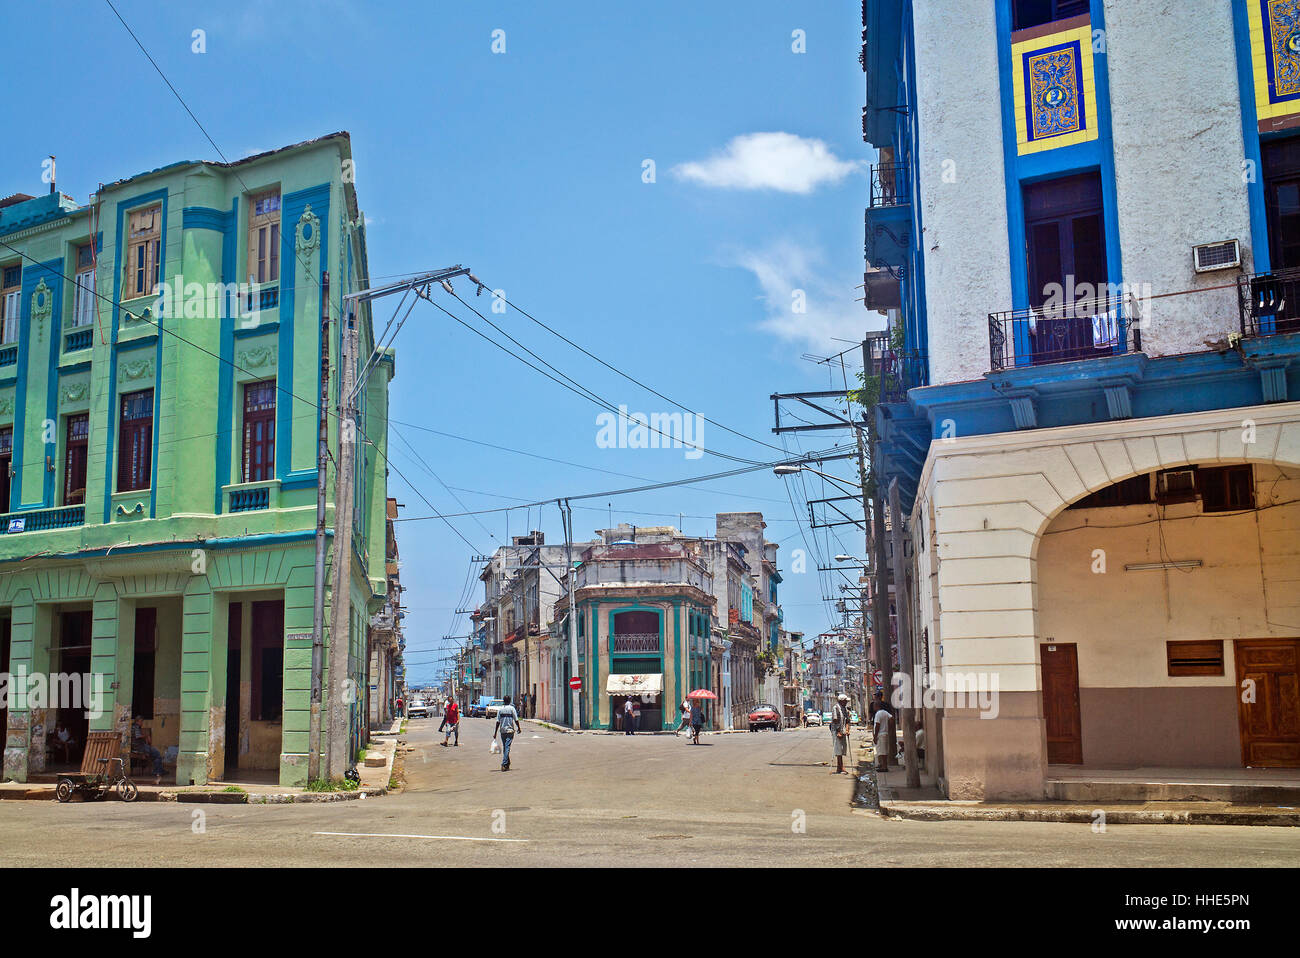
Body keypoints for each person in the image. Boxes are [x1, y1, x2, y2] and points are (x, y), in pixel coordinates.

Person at [131, 715, 164, 785]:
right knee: (157, 754)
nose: (142, 723)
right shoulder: (136, 727)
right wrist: (146, 736)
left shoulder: (134, 726)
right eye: (141, 722)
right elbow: (138, 736)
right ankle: (158, 773)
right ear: (138, 721)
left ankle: (159, 770)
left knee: (155, 754)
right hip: (139, 747)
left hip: (139, 746)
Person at [494, 695, 519, 770]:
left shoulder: (500, 709)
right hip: (510, 730)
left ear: (503, 701)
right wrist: (519, 728)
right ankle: (504, 763)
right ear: (510, 701)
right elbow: (516, 719)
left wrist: (495, 732)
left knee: (505, 747)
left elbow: (497, 722)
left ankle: (507, 763)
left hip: (502, 731)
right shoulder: (512, 709)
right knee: (507, 747)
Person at [830, 693, 851, 774]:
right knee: (838, 749)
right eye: (845, 701)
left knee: (842, 748)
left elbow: (847, 720)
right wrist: (838, 731)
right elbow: (835, 720)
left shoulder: (845, 709)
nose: (846, 702)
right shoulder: (836, 708)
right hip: (836, 731)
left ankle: (840, 767)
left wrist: (847, 729)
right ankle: (840, 767)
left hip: (843, 731)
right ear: (841, 701)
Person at [873, 702, 894, 772]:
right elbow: (891, 719)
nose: (873, 707)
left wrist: (875, 736)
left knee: (882, 751)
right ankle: (882, 765)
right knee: (883, 750)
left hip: (880, 734)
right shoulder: (885, 712)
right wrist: (889, 729)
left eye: (874, 706)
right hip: (885, 733)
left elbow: (877, 725)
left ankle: (884, 766)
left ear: (877, 706)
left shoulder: (878, 714)